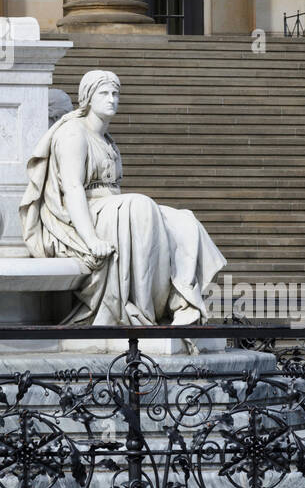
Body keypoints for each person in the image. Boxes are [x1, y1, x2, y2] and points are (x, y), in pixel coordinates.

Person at [20, 70, 226, 328]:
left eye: (116, 93)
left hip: (111, 209)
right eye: (104, 93)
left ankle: (182, 301)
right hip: (80, 216)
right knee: (139, 204)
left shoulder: (106, 139)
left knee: (182, 219)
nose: (112, 99)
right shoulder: (73, 133)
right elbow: (73, 189)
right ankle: (141, 309)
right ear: (87, 99)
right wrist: (91, 239)